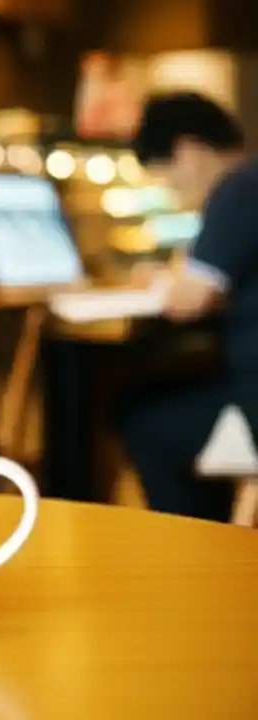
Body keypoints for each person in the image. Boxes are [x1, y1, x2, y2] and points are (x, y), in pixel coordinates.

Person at [116, 92, 258, 521]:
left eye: (169, 176)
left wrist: (159, 285)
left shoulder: (239, 188)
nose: (174, 191)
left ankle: (195, 548)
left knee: (143, 421)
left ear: (189, 151)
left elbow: (193, 299)